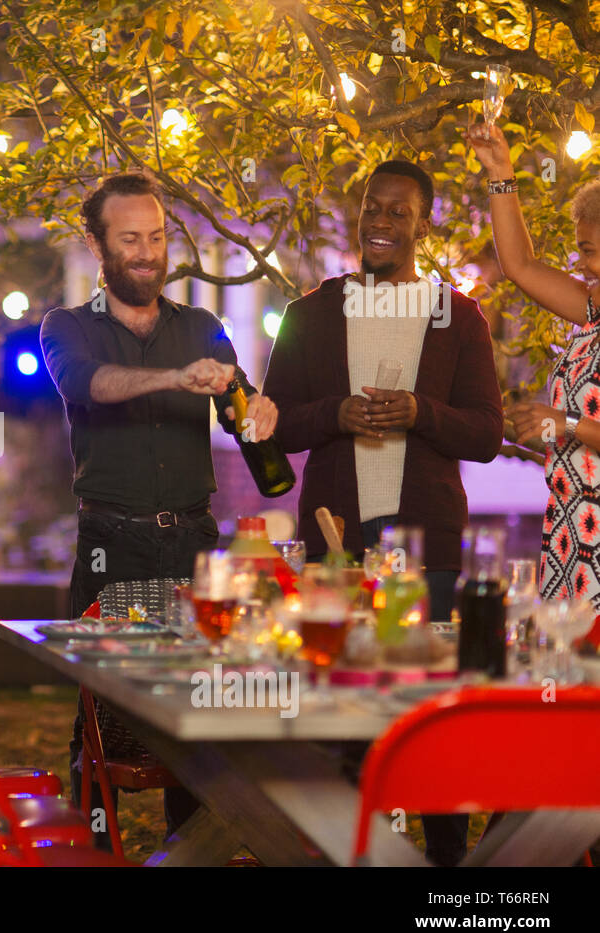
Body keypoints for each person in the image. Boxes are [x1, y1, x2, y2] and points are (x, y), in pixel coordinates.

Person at [262, 158, 503, 865]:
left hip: (426, 545)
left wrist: (422, 413)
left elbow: (487, 433)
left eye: (399, 211)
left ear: (424, 223)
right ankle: (344, 849)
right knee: (338, 708)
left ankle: (447, 861)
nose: (381, 222)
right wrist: (336, 413)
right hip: (337, 542)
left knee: (431, 711)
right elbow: (272, 425)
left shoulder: (457, 317)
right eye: (372, 207)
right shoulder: (311, 313)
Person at [40, 171, 278, 843]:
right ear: (97, 245)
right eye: (130, 240)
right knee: (102, 723)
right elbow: (87, 386)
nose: (147, 253)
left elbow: (243, 409)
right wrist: (176, 376)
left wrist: (259, 410)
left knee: (201, 717)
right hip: (110, 546)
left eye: (157, 237)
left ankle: (193, 850)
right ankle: (94, 850)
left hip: (194, 548)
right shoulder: (66, 326)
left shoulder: (201, 325)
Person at [467, 121, 600, 605]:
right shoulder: (593, 308)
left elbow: (577, 425)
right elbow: (519, 266)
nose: (581, 264)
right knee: (559, 672)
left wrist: (564, 423)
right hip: (569, 526)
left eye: (588, 251)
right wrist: (501, 172)